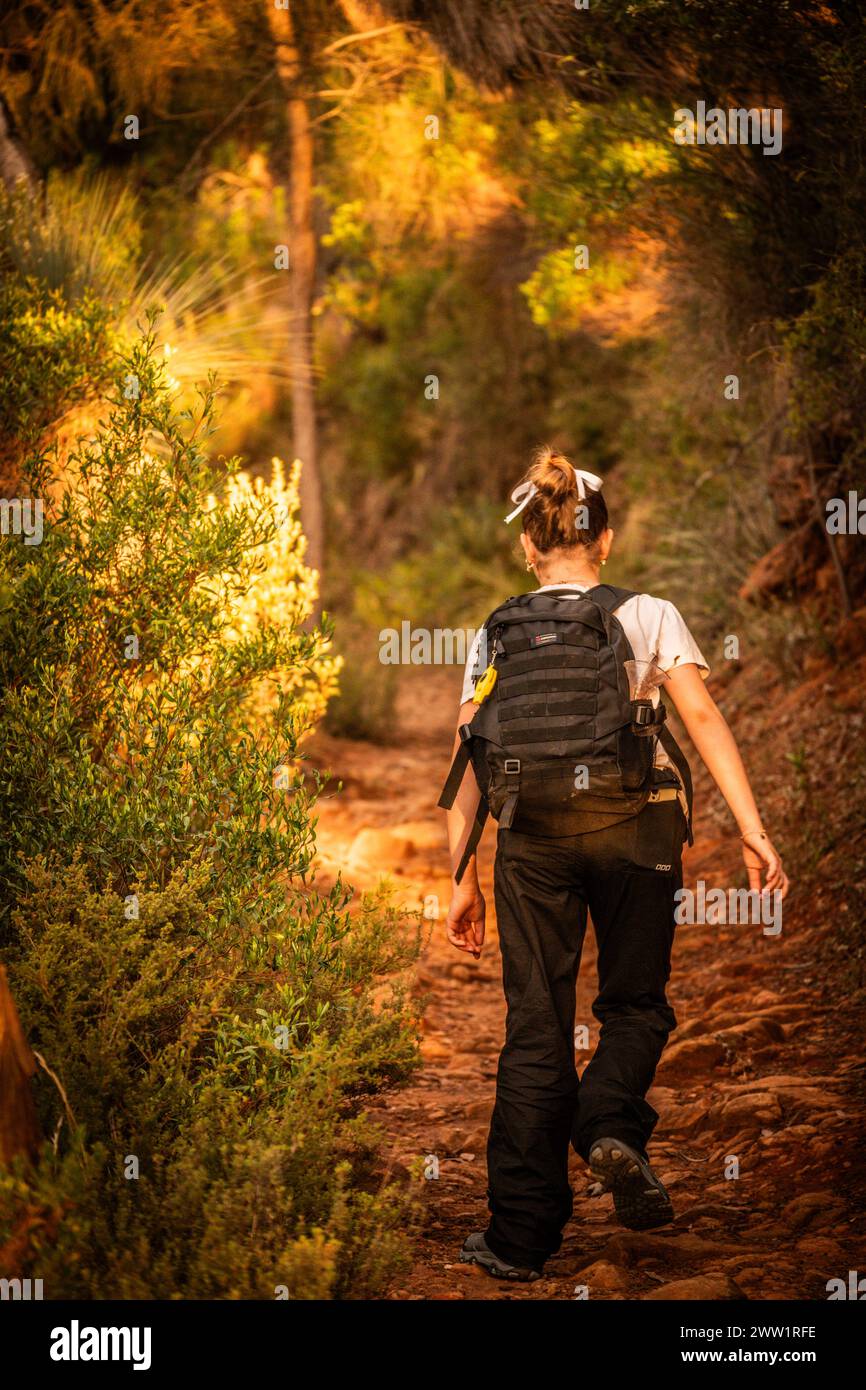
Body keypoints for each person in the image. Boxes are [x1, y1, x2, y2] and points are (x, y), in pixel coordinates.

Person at [442, 447, 790, 1282]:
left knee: (536, 1029)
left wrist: (460, 876)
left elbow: (467, 755)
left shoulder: (497, 628)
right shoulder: (651, 612)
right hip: (640, 834)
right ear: (607, 541)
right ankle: (608, 1128)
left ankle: (520, 1241)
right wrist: (753, 829)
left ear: (530, 546)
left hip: (534, 843)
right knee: (635, 1003)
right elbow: (700, 715)